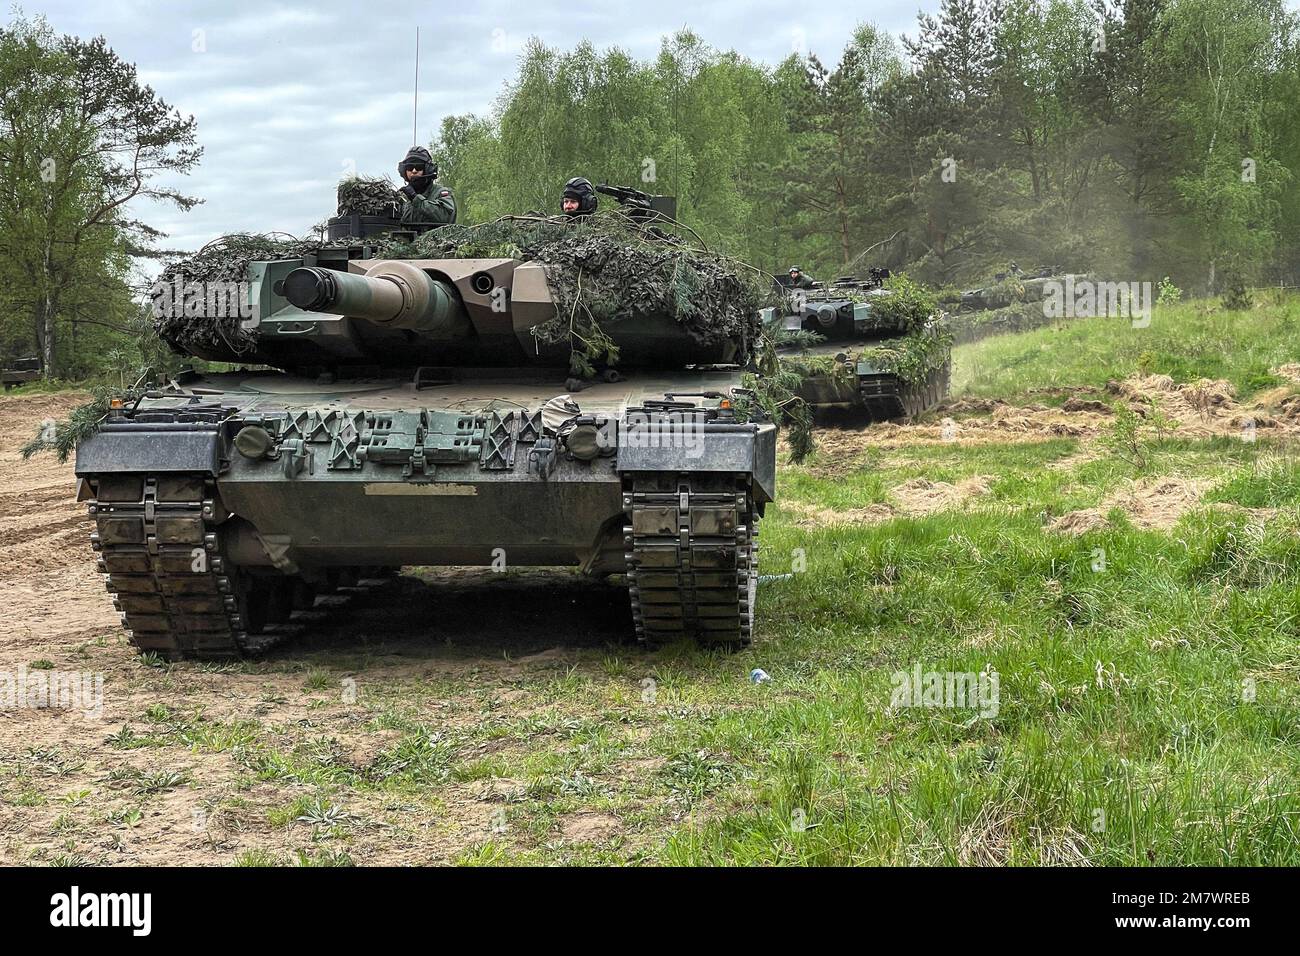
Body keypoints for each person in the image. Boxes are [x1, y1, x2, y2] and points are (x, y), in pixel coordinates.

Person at [397, 146, 456, 226]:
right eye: (410, 167)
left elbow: (445, 217)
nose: (414, 171)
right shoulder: (402, 198)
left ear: (428, 170)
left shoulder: (441, 193)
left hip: (435, 238)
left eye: (418, 167)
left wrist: (416, 199)